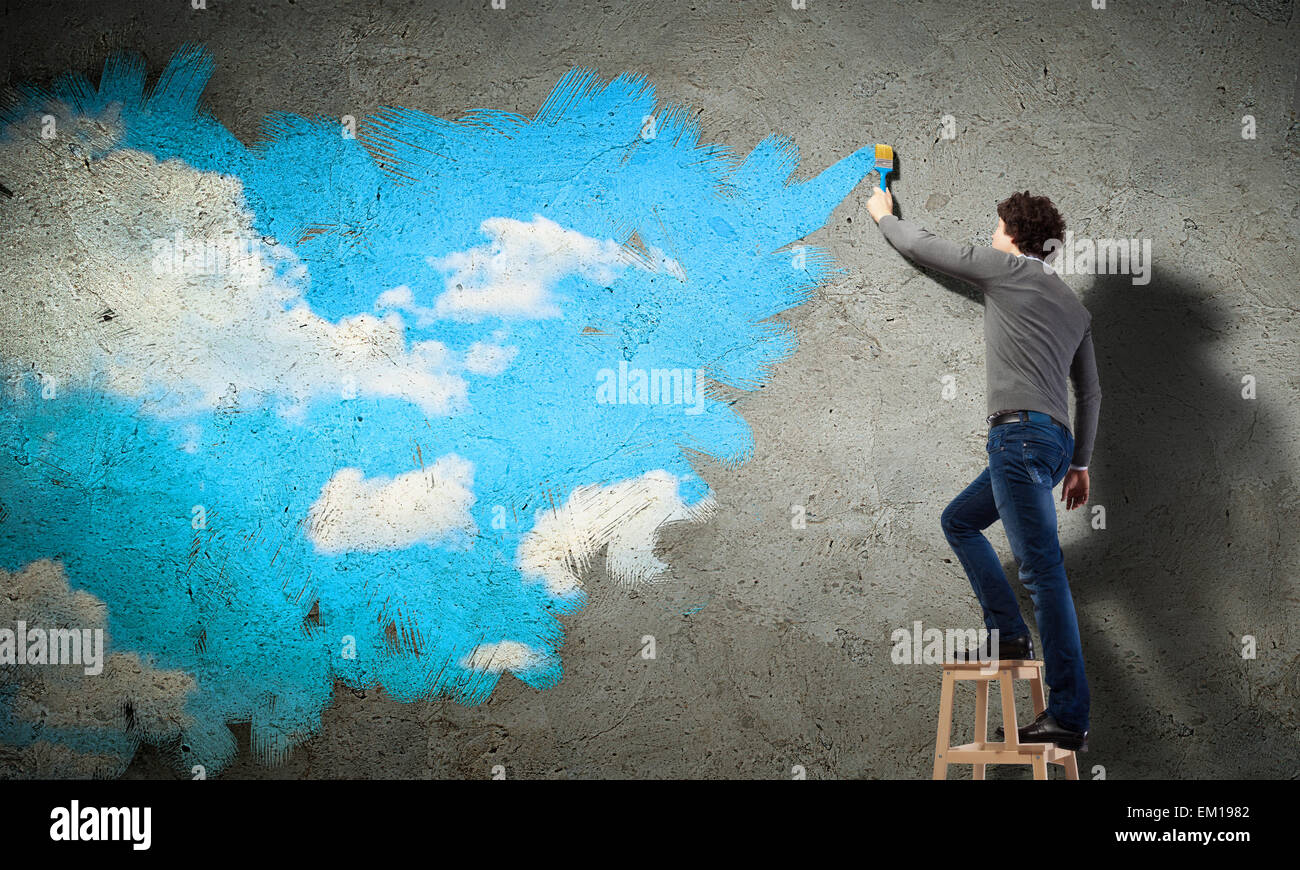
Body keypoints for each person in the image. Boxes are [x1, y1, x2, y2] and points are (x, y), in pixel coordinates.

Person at [866, 187, 1100, 752]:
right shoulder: (1074, 306)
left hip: (1016, 437)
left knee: (1044, 574)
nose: (992, 235)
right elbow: (1090, 392)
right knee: (960, 520)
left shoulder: (1004, 269)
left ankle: (1068, 715)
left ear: (1011, 232)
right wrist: (1081, 462)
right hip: (1052, 445)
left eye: (996, 226)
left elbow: (922, 247)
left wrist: (884, 215)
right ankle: (1009, 637)